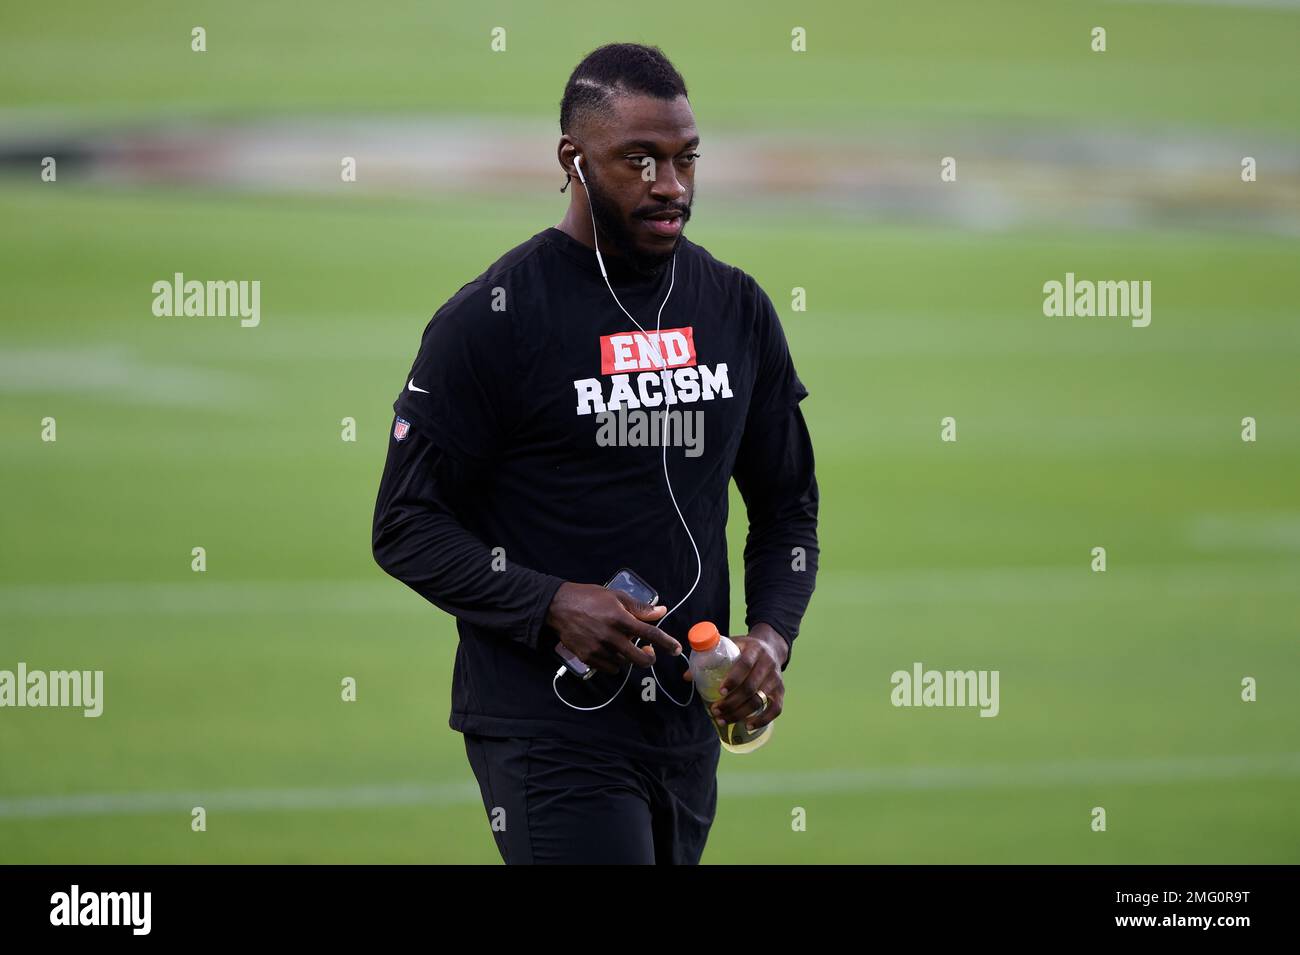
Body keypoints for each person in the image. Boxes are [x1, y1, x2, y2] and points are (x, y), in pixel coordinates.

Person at [372, 42, 818, 864]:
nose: (671, 185)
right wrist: (549, 603)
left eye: (686, 159)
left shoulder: (735, 307)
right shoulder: (495, 318)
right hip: (548, 725)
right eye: (638, 160)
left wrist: (769, 640)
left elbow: (788, 505)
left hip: (684, 725)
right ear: (573, 161)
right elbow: (404, 524)